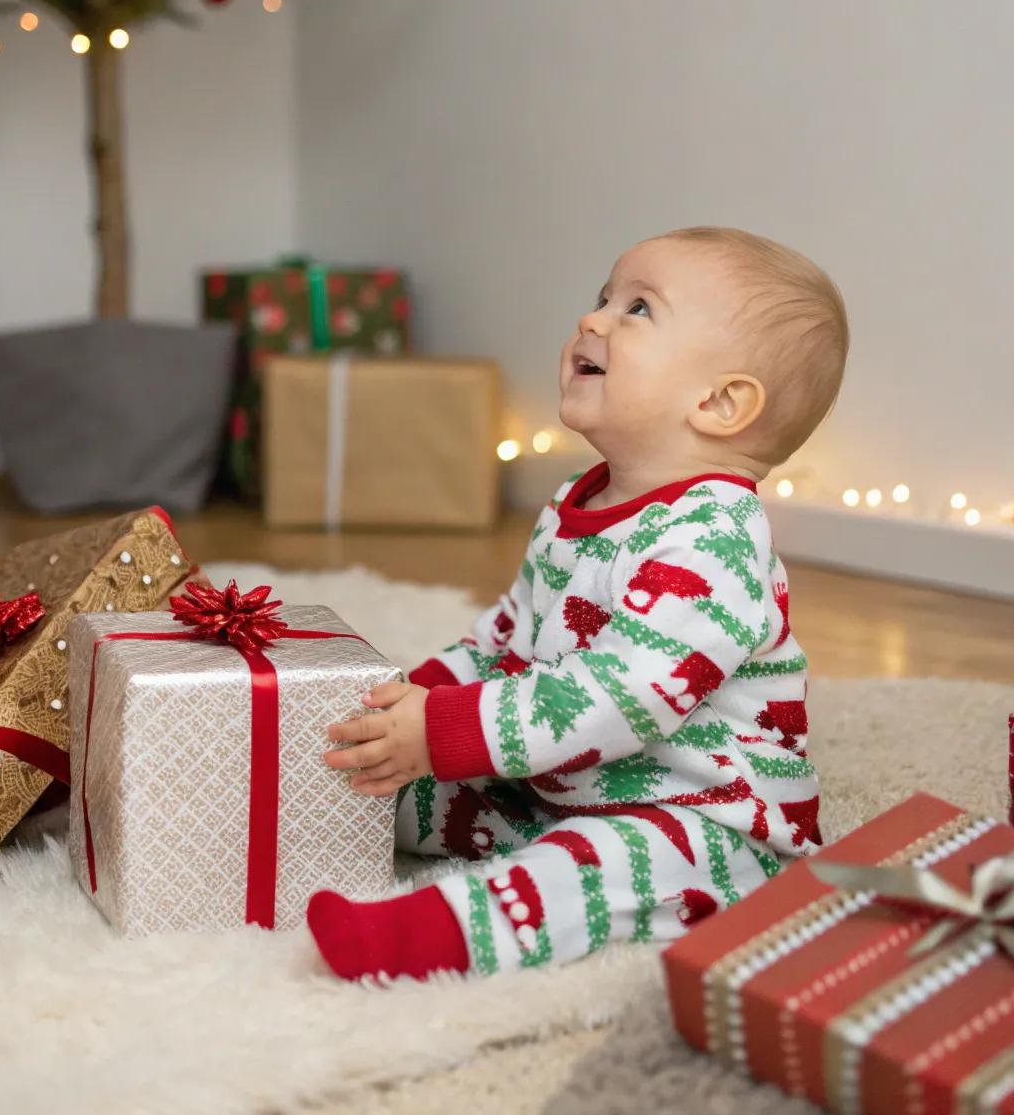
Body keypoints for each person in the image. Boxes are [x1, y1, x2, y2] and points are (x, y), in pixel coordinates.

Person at [308, 226, 849, 980]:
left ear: (720, 401)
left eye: (638, 309)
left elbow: (623, 696)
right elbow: (506, 635)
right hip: (555, 783)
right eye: (602, 298)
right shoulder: (577, 499)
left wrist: (446, 728)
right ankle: (283, 822)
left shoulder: (713, 539)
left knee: (590, 870)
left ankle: (429, 935)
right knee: (385, 781)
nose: (592, 319)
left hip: (701, 814)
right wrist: (415, 704)